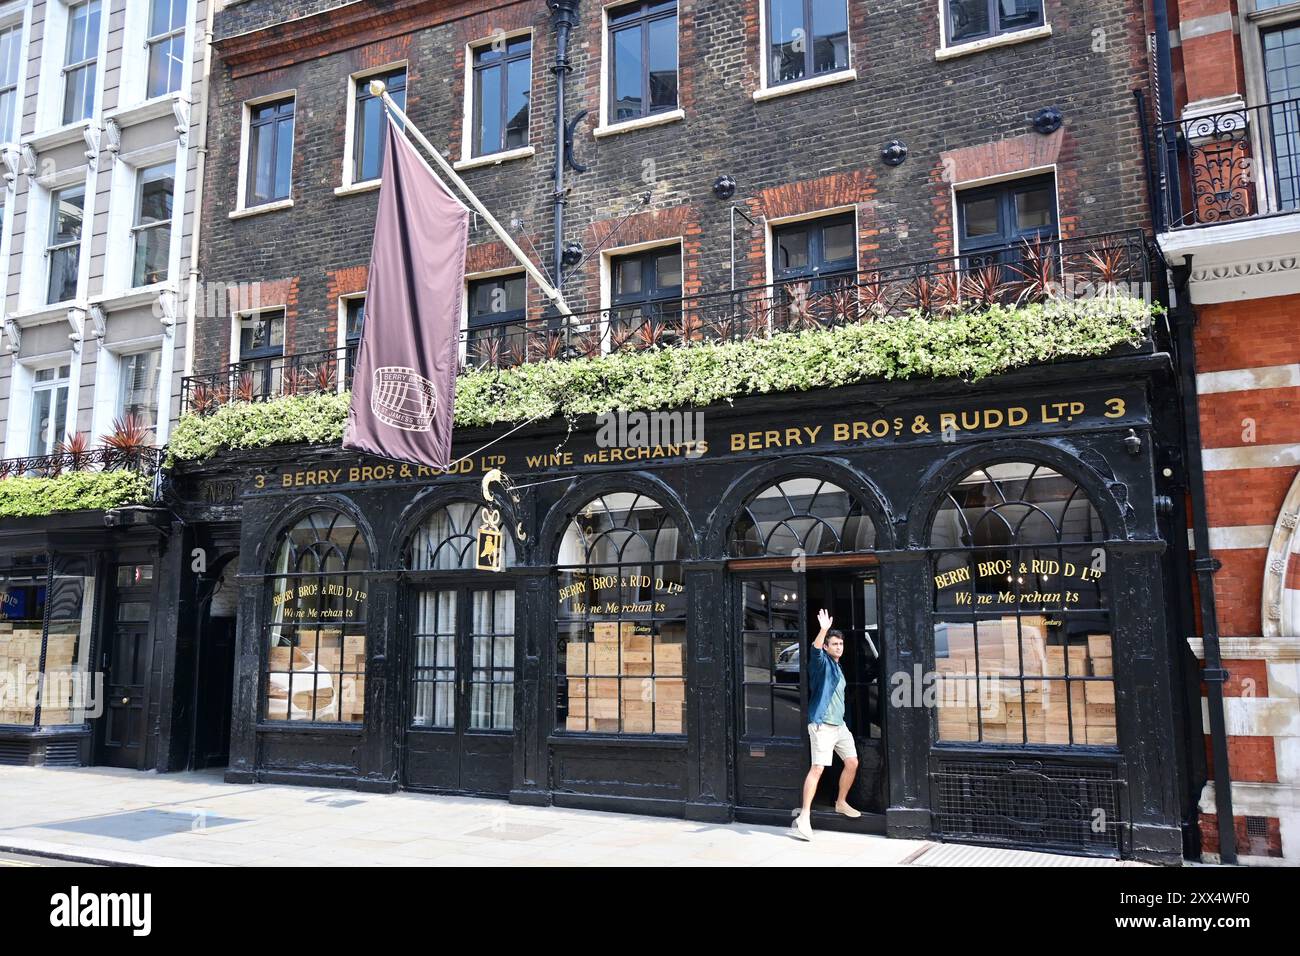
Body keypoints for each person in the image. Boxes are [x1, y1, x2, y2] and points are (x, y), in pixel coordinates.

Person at [792, 608, 859, 841]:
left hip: (839, 726)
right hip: (822, 725)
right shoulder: (822, 664)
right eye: (834, 644)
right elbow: (815, 651)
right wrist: (822, 630)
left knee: (852, 762)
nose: (839, 647)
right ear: (828, 647)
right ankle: (804, 816)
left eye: (841, 643)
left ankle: (840, 802)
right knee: (818, 768)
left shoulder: (839, 668)